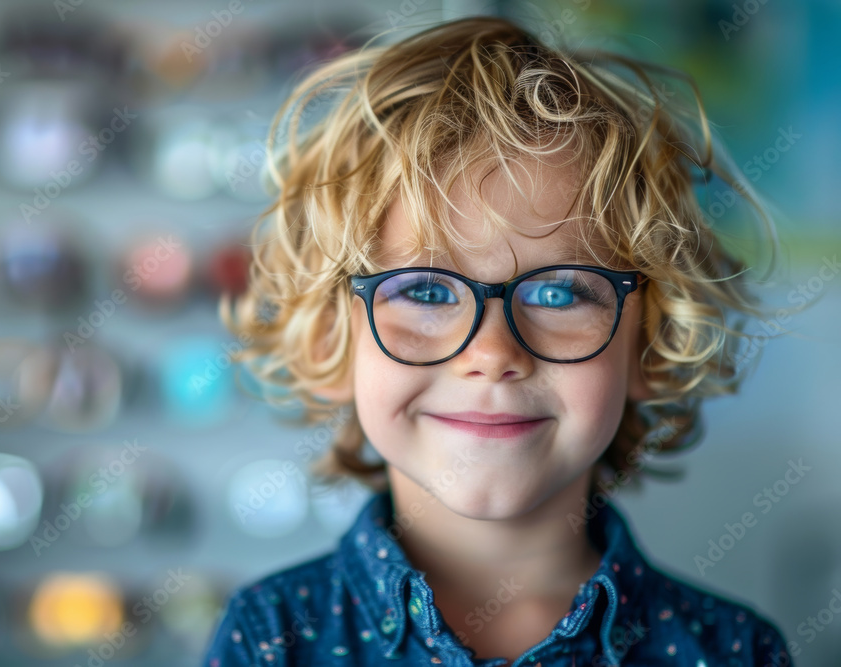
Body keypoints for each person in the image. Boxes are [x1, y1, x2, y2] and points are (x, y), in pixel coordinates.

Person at [204, 14, 793, 667]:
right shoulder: (271, 635)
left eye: (559, 292)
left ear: (651, 343)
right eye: (425, 291)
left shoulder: (732, 648)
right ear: (327, 341)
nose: (491, 353)